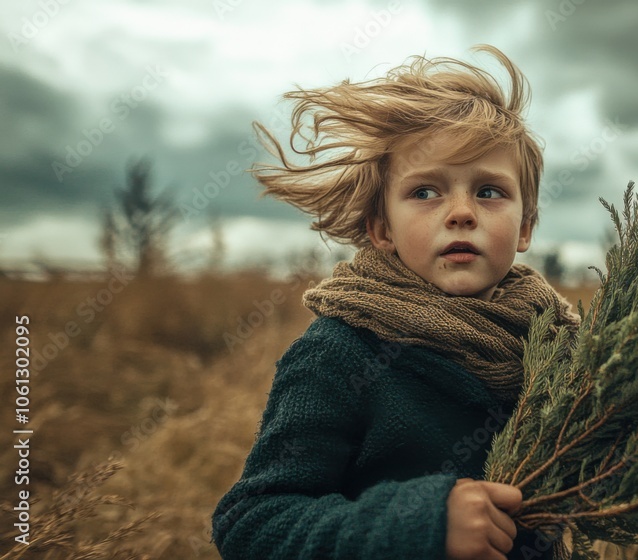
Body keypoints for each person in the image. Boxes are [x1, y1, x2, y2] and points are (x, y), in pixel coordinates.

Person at [211, 44, 581, 560]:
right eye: (426, 192)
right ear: (381, 227)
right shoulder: (340, 353)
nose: (460, 213)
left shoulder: (556, 346)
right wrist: (420, 525)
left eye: (489, 192)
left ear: (525, 227)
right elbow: (253, 523)